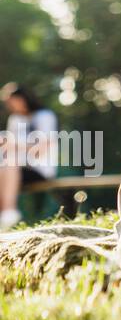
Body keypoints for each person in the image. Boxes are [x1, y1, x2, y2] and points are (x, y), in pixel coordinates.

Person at [0, 83, 59, 229]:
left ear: (22, 99)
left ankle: (9, 211)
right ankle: (5, 215)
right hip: (14, 169)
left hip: (40, 169)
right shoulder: (15, 119)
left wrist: (12, 145)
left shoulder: (45, 116)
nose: (9, 105)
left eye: (10, 101)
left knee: (10, 164)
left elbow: (42, 149)